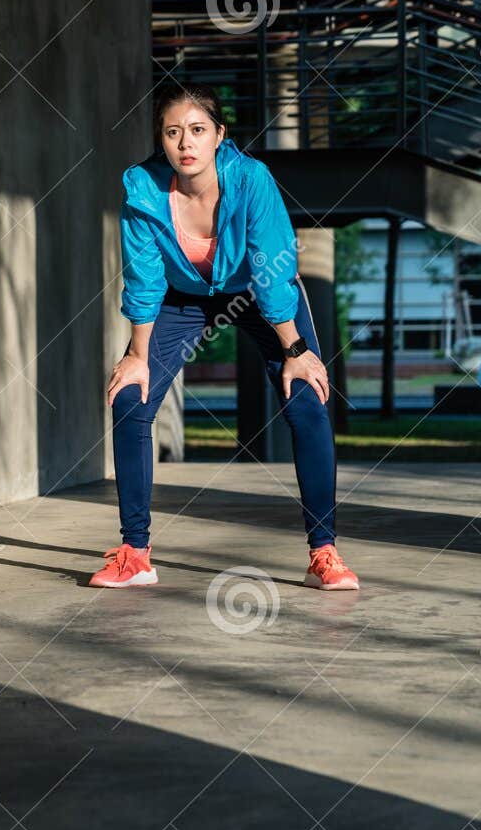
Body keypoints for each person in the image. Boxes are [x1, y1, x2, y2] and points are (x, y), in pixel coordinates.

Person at [90, 83, 359, 590]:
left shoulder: (251, 179)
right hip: (181, 294)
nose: (185, 143)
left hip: (263, 293)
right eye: (173, 133)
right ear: (162, 140)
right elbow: (144, 276)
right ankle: (135, 553)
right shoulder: (143, 190)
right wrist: (137, 355)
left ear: (219, 135)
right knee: (131, 395)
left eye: (197, 130)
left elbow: (269, 264)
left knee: (307, 397)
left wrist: (295, 349)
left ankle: (324, 552)